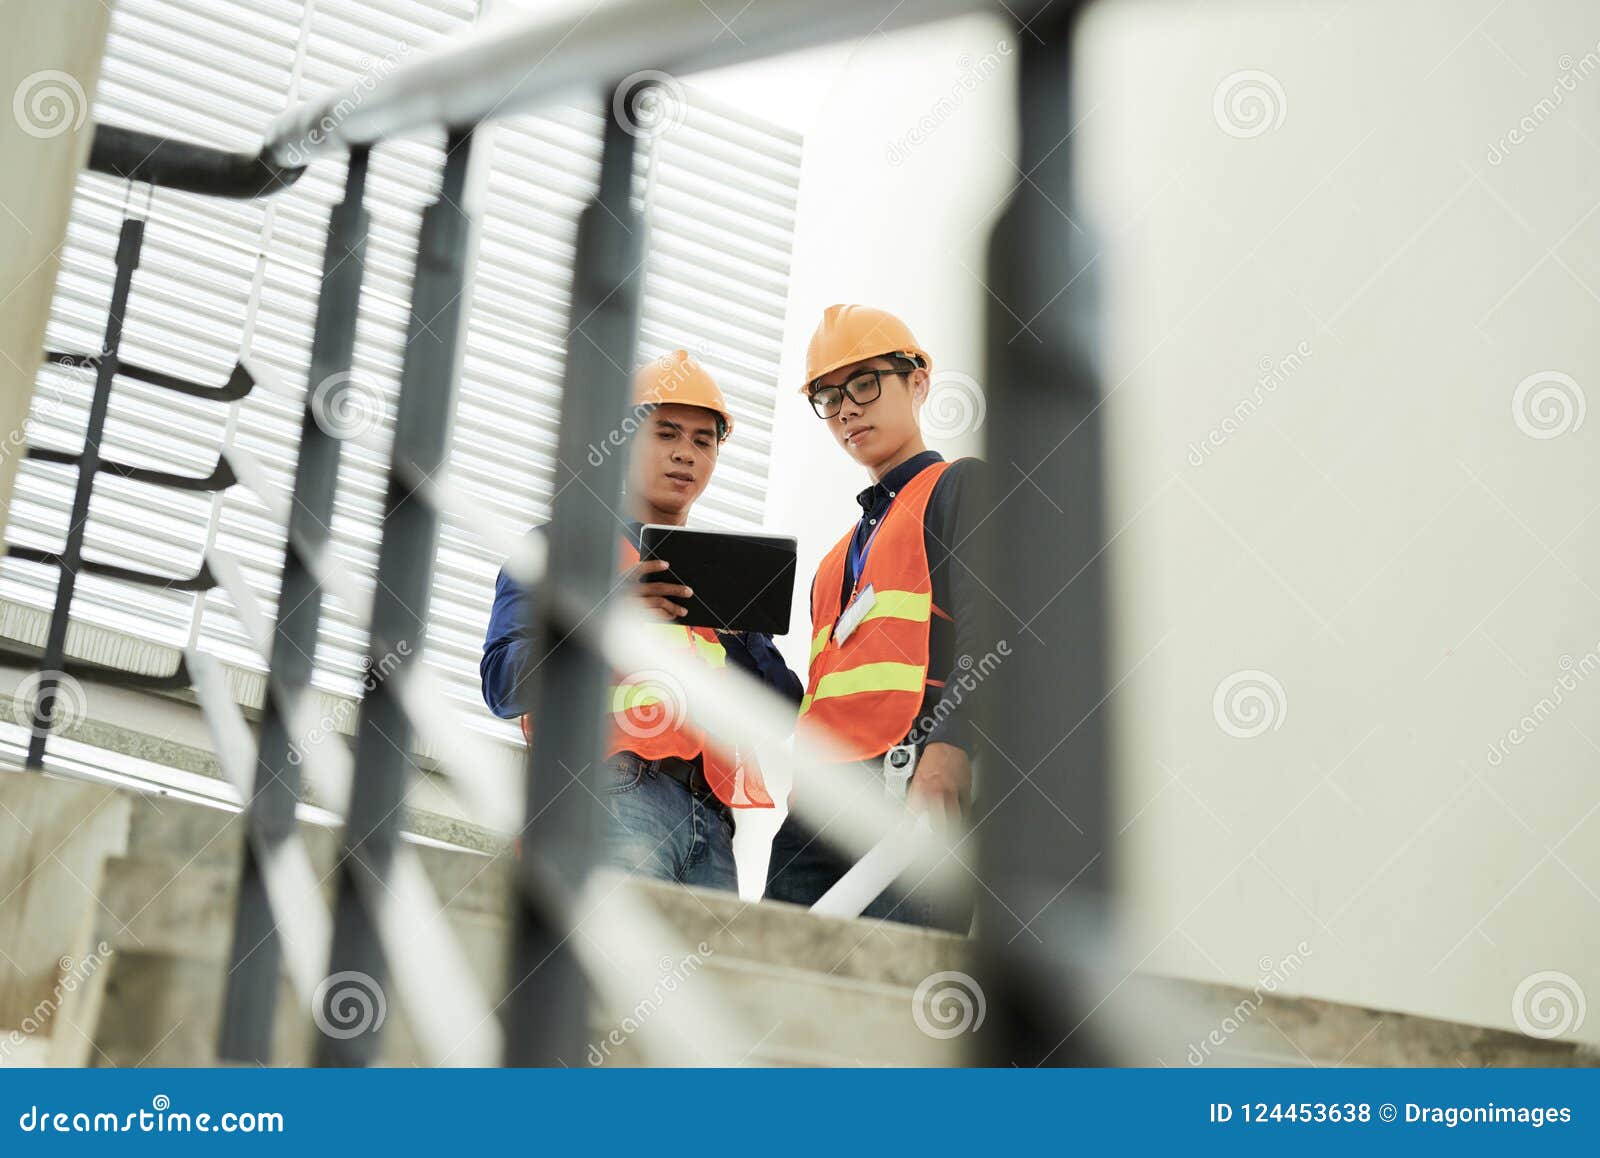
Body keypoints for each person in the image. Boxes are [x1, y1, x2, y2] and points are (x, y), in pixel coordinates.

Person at [481, 349, 803, 892]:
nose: (686, 454)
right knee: (609, 969)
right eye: (666, 433)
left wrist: (739, 634)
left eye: (704, 441)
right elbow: (503, 685)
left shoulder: (718, 579)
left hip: (714, 821)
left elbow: (780, 708)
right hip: (608, 791)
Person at [765, 305, 987, 931]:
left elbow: (994, 629)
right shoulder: (834, 562)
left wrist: (952, 746)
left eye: (865, 383)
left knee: (885, 985)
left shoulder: (957, 489)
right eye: (829, 397)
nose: (846, 409)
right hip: (815, 810)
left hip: (910, 778)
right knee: (769, 980)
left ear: (917, 382)